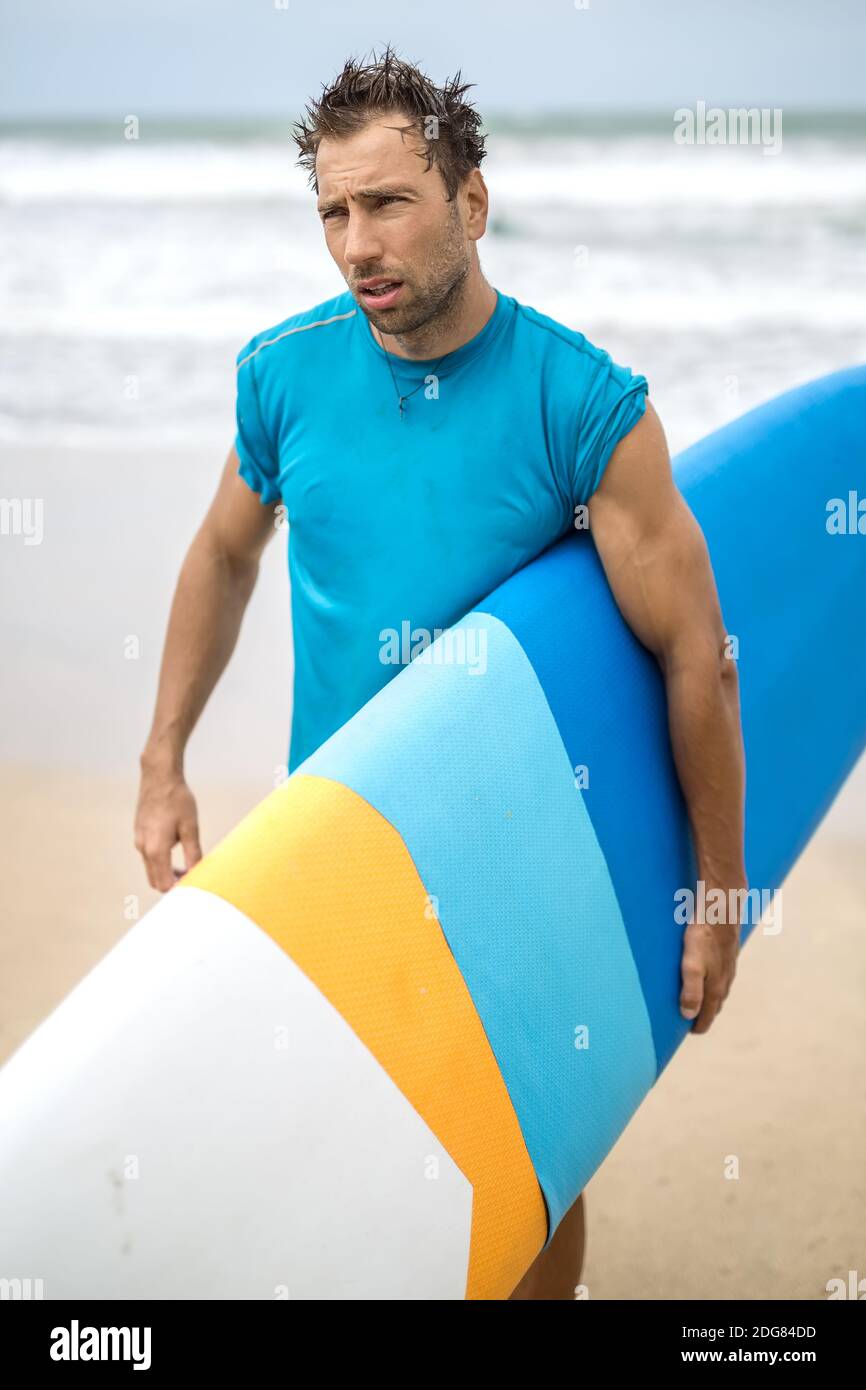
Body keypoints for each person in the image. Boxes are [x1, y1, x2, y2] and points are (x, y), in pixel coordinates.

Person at [135, 47, 747, 1300]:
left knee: (525, 1164)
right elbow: (222, 552)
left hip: (515, 850)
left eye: (388, 203)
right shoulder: (284, 372)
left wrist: (718, 886)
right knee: (348, 1140)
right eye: (332, 212)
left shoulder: (579, 403)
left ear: (470, 202)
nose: (357, 243)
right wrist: (162, 763)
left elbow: (695, 651)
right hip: (337, 838)